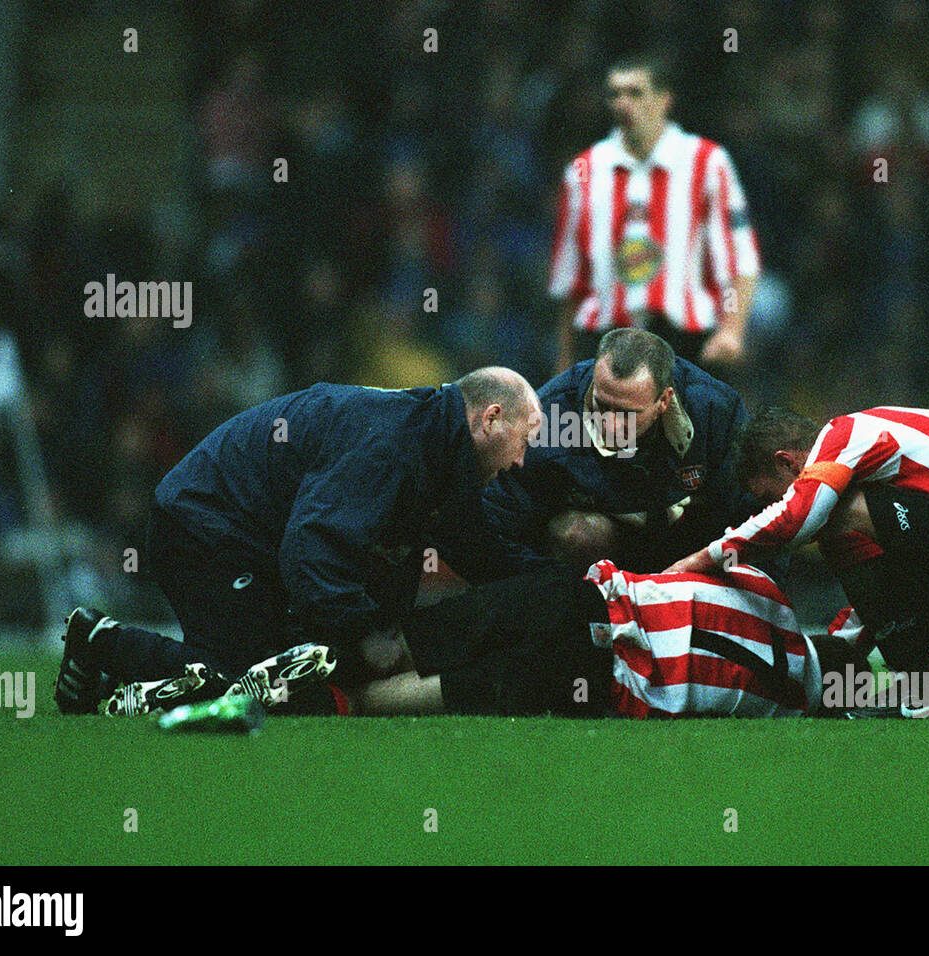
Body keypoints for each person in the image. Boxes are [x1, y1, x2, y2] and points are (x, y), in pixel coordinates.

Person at [55, 368, 542, 717]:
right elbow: (311, 547)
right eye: (527, 438)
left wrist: (565, 585)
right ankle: (106, 643)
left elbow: (478, 547)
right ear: (491, 418)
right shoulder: (392, 444)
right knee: (252, 680)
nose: (522, 462)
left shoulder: (435, 447)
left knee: (288, 681)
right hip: (202, 525)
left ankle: (119, 676)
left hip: (236, 531)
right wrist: (365, 634)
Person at [666, 406, 929, 719]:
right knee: (856, 534)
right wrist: (829, 665)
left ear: (786, 461)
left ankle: (925, 694)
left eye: (768, 499)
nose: (770, 510)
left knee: (838, 512)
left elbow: (799, 516)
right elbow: (879, 597)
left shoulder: (846, 432)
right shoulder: (881, 472)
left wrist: (698, 561)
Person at [346, 559, 873, 719]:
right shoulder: (781, 705)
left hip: (581, 600)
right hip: (594, 673)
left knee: (411, 642)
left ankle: (307, 662)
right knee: (451, 690)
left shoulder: (765, 587)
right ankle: (337, 702)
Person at [549, 51, 759, 375]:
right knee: (611, 428)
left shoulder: (706, 162)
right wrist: (564, 357)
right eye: (614, 94)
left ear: (664, 99)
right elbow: (570, 278)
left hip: (684, 339)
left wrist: (731, 331)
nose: (622, 103)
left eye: (635, 93)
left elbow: (740, 257)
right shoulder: (583, 170)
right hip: (603, 340)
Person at [483, 329, 753, 574]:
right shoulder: (548, 419)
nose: (610, 425)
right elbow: (499, 526)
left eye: (627, 414)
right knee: (577, 535)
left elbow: (749, 513)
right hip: (599, 560)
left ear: (664, 400)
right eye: (601, 405)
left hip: (688, 552)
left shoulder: (716, 411)